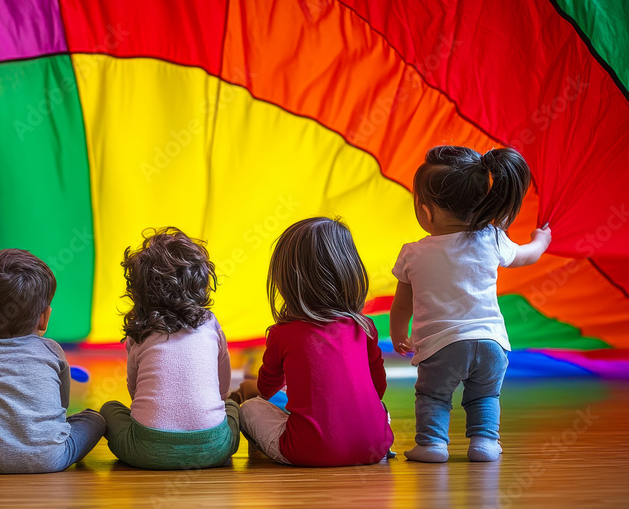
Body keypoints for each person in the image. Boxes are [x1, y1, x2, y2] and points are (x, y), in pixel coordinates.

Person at [390, 146, 550, 463]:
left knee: (433, 395)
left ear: (426, 211)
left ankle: (432, 444)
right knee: (485, 395)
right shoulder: (491, 238)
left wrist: (398, 335)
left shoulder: (413, 252)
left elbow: (401, 306)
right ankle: (485, 443)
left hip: (440, 347)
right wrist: (541, 241)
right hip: (491, 343)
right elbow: (526, 256)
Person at [235, 217, 393, 466]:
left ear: (285, 280)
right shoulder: (364, 327)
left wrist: (249, 389)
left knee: (249, 409)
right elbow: (378, 389)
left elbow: (266, 389)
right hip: (374, 446)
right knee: (377, 408)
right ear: (350, 271)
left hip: (305, 452)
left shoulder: (282, 333)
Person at [0, 249, 105, 473]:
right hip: (53, 459)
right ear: (44, 318)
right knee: (95, 418)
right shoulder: (53, 350)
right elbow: (61, 407)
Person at [101, 227, 239, 469]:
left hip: (146, 451)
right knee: (233, 408)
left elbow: (134, 389)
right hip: (214, 448)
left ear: (138, 292)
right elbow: (223, 376)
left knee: (109, 408)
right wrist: (219, 401)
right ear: (202, 284)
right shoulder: (210, 322)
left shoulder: (140, 332)